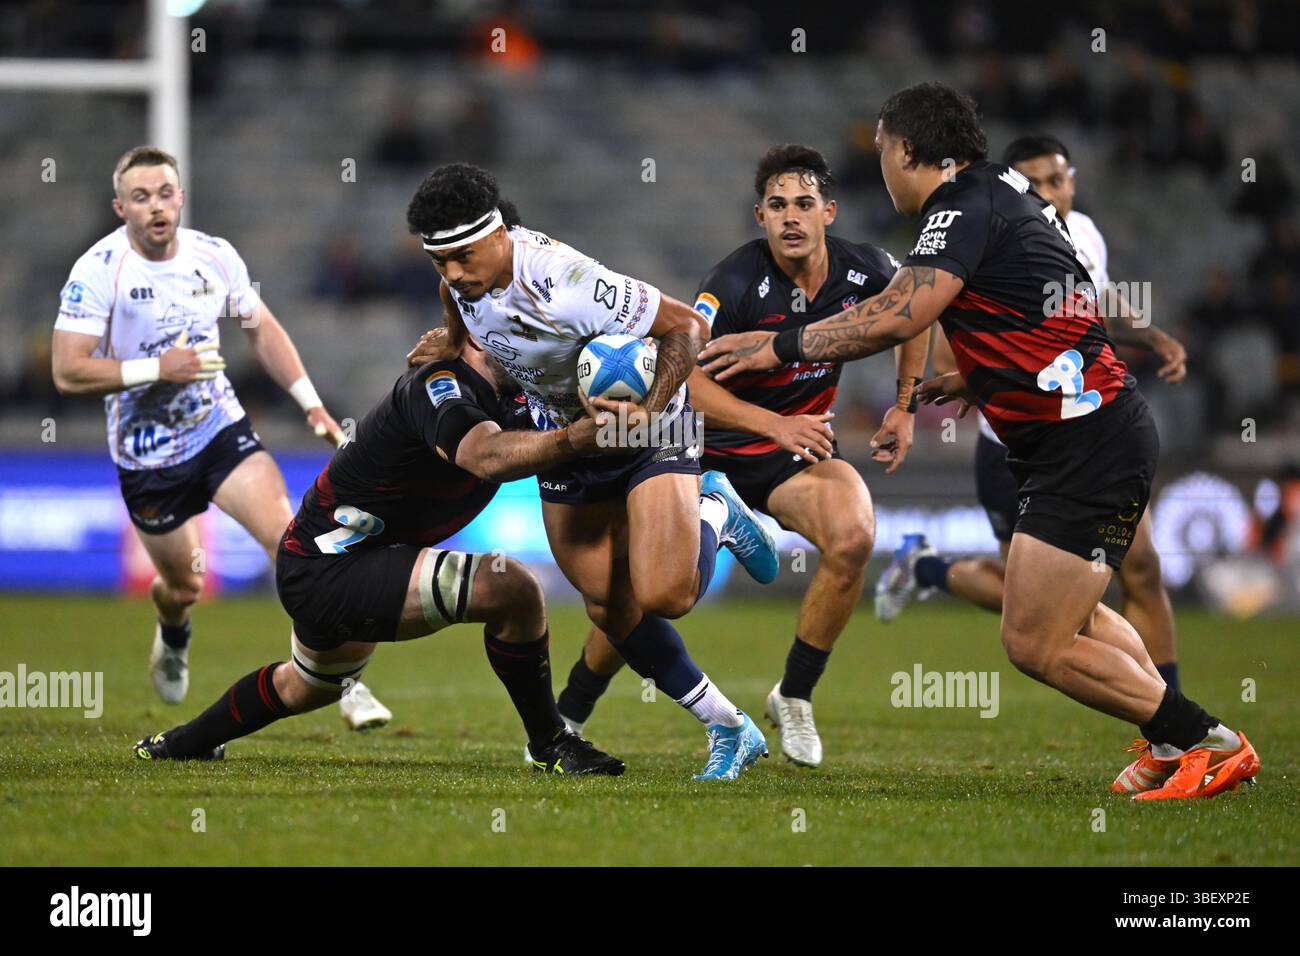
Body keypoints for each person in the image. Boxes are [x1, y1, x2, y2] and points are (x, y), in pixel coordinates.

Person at [699, 83, 1259, 800]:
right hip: (1078, 436)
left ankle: (1208, 741)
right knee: (1074, 616)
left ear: (906, 150)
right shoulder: (999, 191)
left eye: (882, 153)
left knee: (1035, 642)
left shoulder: (962, 206)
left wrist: (779, 346)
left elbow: (899, 315)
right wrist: (977, 376)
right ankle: (1171, 737)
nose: (882, 169)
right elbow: (1050, 299)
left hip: (1086, 445)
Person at [545, 144, 929, 767]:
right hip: (699, 449)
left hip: (786, 452)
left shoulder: (868, 270)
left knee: (854, 535)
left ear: (829, 212)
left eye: (804, 204)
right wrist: (775, 423)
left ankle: (795, 695)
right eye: (778, 206)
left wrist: (905, 404)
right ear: (760, 216)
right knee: (638, 594)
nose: (791, 217)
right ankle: (573, 709)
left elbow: (913, 315)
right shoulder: (730, 284)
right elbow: (688, 378)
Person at [404, 163, 773, 780]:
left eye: (464, 257)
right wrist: (449, 340)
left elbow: (689, 326)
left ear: (500, 233)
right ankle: (729, 726)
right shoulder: (460, 284)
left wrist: (646, 415)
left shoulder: (572, 283)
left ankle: (715, 508)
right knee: (608, 603)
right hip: (568, 435)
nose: (455, 274)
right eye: (440, 262)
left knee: (665, 594)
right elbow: (455, 297)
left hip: (652, 423)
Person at [135, 338, 626, 775]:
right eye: (512, 328)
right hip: (328, 566)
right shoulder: (438, 383)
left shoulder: (520, 386)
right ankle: (551, 743)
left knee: (308, 686)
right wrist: (574, 438)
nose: (526, 340)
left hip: (355, 557)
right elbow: (487, 455)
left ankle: (185, 743)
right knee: (511, 588)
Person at [51, 145, 391, 730]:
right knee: (183, 584)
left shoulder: (214, 256)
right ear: (120, 208)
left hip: (219, 432)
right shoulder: (98, 270)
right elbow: (67, 369)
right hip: (149, 457)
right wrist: (159, 369)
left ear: (180, 196)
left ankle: (346, 681)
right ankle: (174, 631)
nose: (155, 206)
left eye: (164, 193)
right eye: (140, 197)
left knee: (292, 545)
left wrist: (310, 404)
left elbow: (261, 328)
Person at [875, 133, 1189, 693]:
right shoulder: (984, 228)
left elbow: (1092, 308)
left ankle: (1174, 718)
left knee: (1135, 570)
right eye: (1036, 182)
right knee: (1037, 601)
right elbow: (954, 340)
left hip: (1087, 430)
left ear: (1072, 180)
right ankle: (922, 566)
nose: (1050, 191)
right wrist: (974, 380)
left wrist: (1153, 337)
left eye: (1058, 179)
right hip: (1014, 444)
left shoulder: (1083, 234)